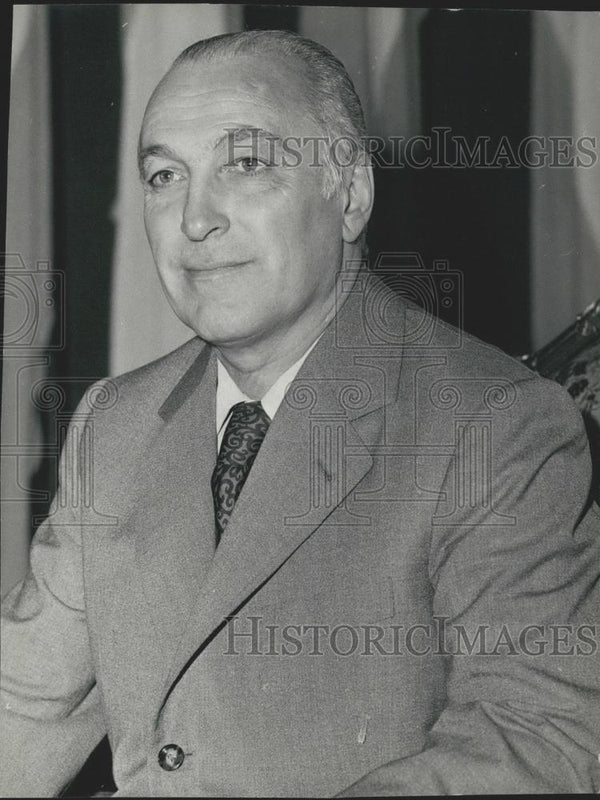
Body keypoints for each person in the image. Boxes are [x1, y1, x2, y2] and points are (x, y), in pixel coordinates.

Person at [1, 30, 599, 797]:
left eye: (245, 165)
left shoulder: (495, 425)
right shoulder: (115, 421)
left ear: (349, 194)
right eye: (163, 175)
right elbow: (23, 701)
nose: (193, 219)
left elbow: (541, 738)